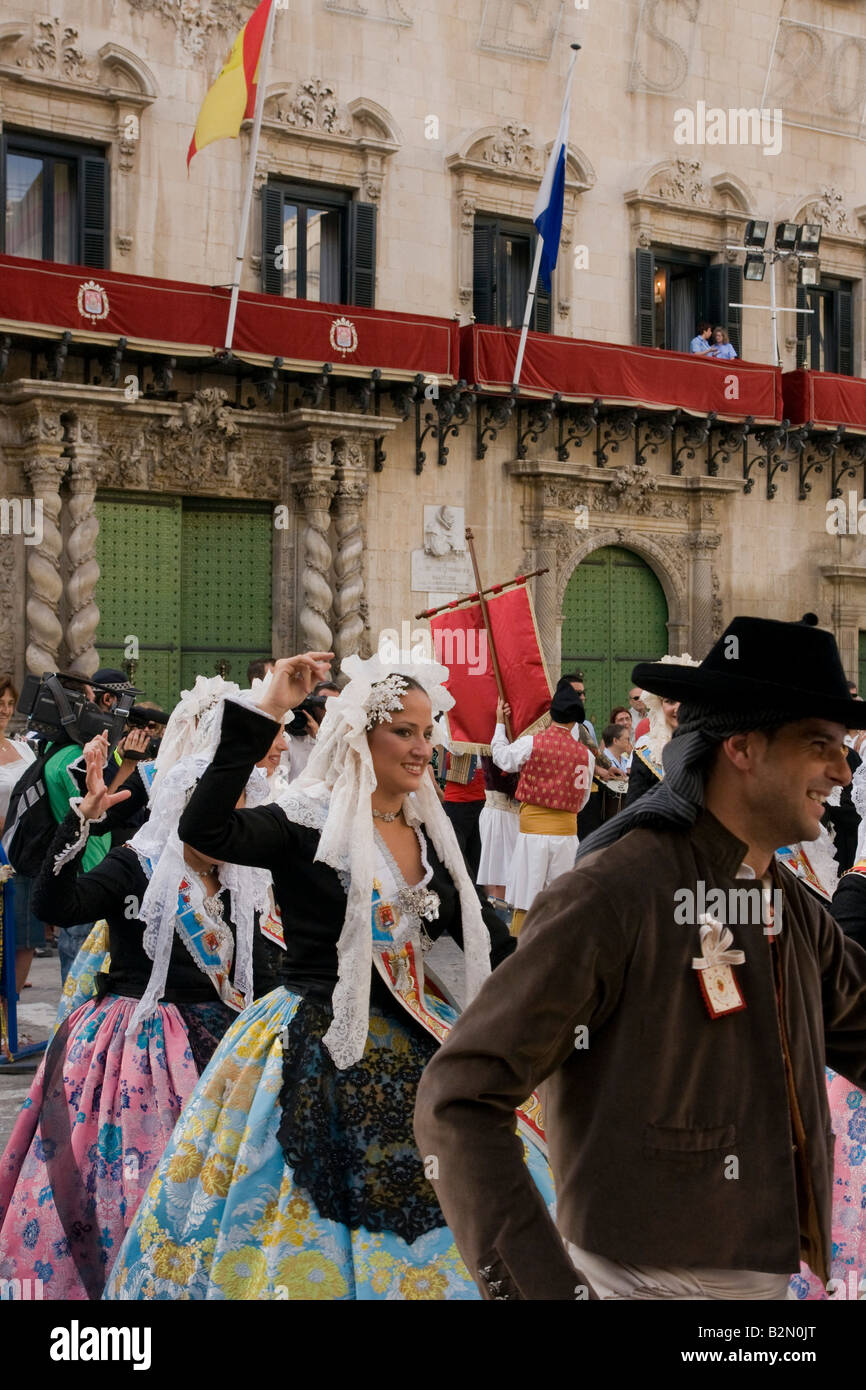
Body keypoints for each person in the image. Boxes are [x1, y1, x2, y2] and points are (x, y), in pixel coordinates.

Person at [415, 613, 866, 1301]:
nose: (843, 769)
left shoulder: (793, 906)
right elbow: (459, 1097)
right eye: (819, 745)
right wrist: (541, 1287)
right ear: (742, 746)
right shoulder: (613, 895)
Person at [104, 651, 553, 1301]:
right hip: (316, 1040)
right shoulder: (302, 820)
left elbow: (491, 944)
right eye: (404, 730)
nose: (422, 747)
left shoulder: (432, 838)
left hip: (428, 1041)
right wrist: (269, 712)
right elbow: (207, 828)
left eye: (428, 732)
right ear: (359, 735)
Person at [0, 679, 286, 1300]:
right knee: (136, 1184)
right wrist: (79, 826)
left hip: (229, 1050)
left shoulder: (246, 881)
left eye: (238, 802)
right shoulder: (140, 863)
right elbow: (61, 903)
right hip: (140, 1054)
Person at [491, 688, 592, 933]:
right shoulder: (586, 755)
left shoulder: (532, 742)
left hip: (532, 836)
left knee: (527, 898)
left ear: (551, 714)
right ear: (576, 720)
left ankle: (524, 949)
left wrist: (499, 724)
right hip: (567, 836)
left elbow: (501, 757)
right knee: (563, 899)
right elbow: (583, 799)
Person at [0, 677, 38, 992]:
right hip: (1, 852)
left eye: (10, 704)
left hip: (26, 854)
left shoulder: (22, 748)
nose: (5, 710)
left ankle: (9, 1018)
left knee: (25, 938)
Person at [624, 656, 700, 806]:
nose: (678, 708)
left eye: (684, 700)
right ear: (660, 705)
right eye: (670, 701)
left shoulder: (714, 747)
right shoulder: (647, 752)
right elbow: (633, 809)